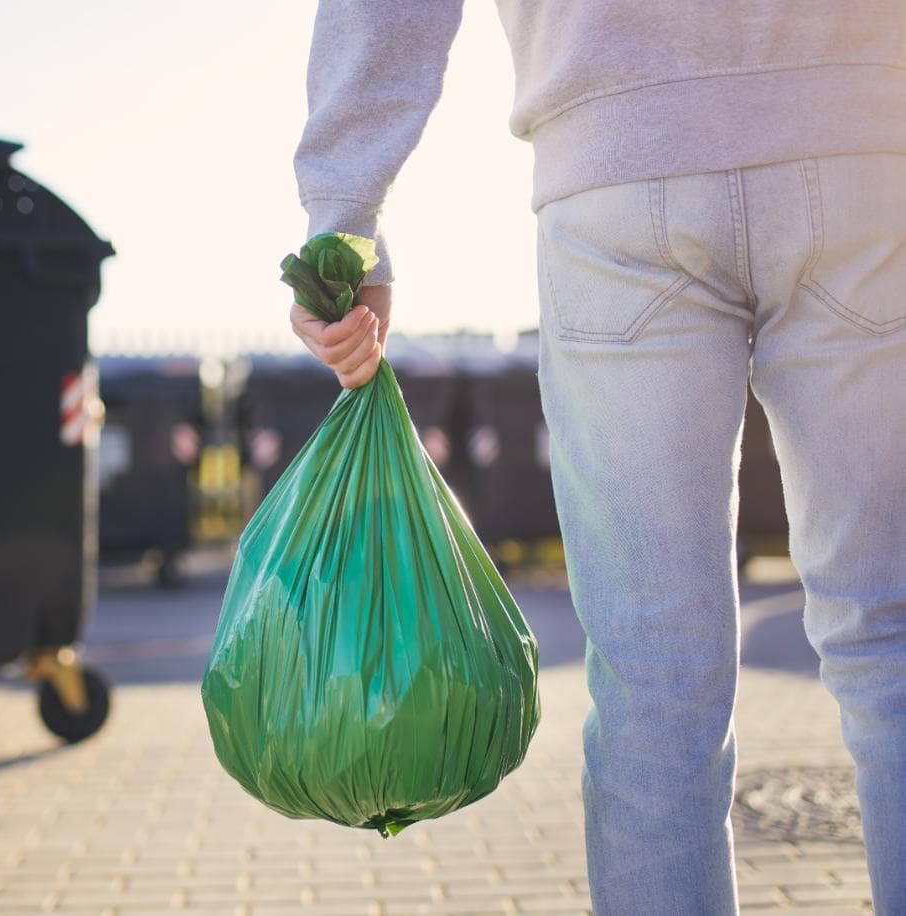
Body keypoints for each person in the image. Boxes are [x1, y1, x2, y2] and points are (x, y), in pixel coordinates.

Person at [287, 2, 906, 913]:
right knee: (892, 642)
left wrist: (346, 215)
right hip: (862, 150)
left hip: (619, 171)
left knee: (658, 681)